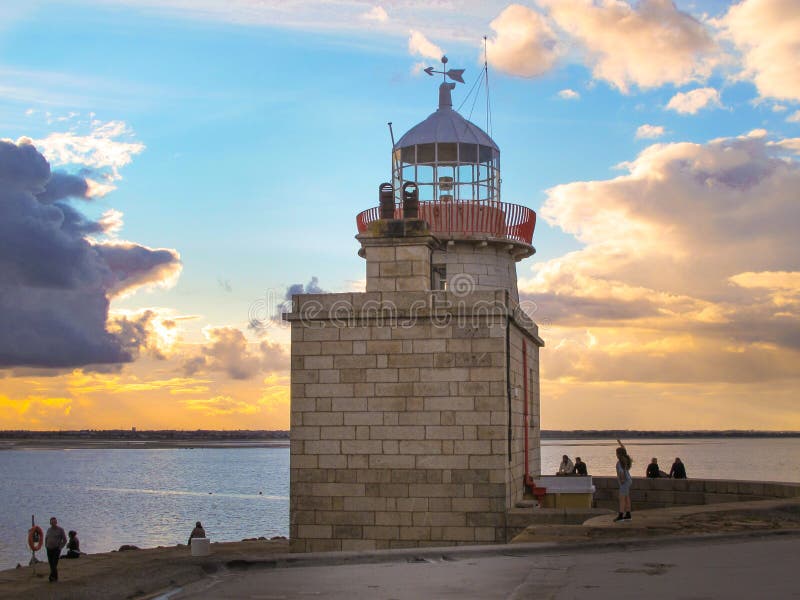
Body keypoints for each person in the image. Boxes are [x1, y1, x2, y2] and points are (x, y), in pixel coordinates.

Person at [614, 440, 633, 522]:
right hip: (629, 480)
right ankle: (628, 514)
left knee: (622, 498)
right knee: (627, 497)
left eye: (616, 453)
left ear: (619, 454)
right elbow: (624, 449)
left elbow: (621, 473)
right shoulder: (626, 459)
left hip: (624, 482)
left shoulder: (620, 462)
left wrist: (621, 481)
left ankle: (621, 515)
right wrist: (620, 443)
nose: (616, 455)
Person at [45, 517, 67, 582]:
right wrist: (45, 545)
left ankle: (51, 577)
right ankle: (55, 577)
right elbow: (46, 538)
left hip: (56, 549)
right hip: (49, 549)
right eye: (52, 522)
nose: (53, 523)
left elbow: (65, 540)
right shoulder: (49, 529)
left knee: (54, 563)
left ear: (56, 522)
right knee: (51, 563)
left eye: (54, 522)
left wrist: (60, 547)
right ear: (50, 523)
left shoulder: (60, 530)